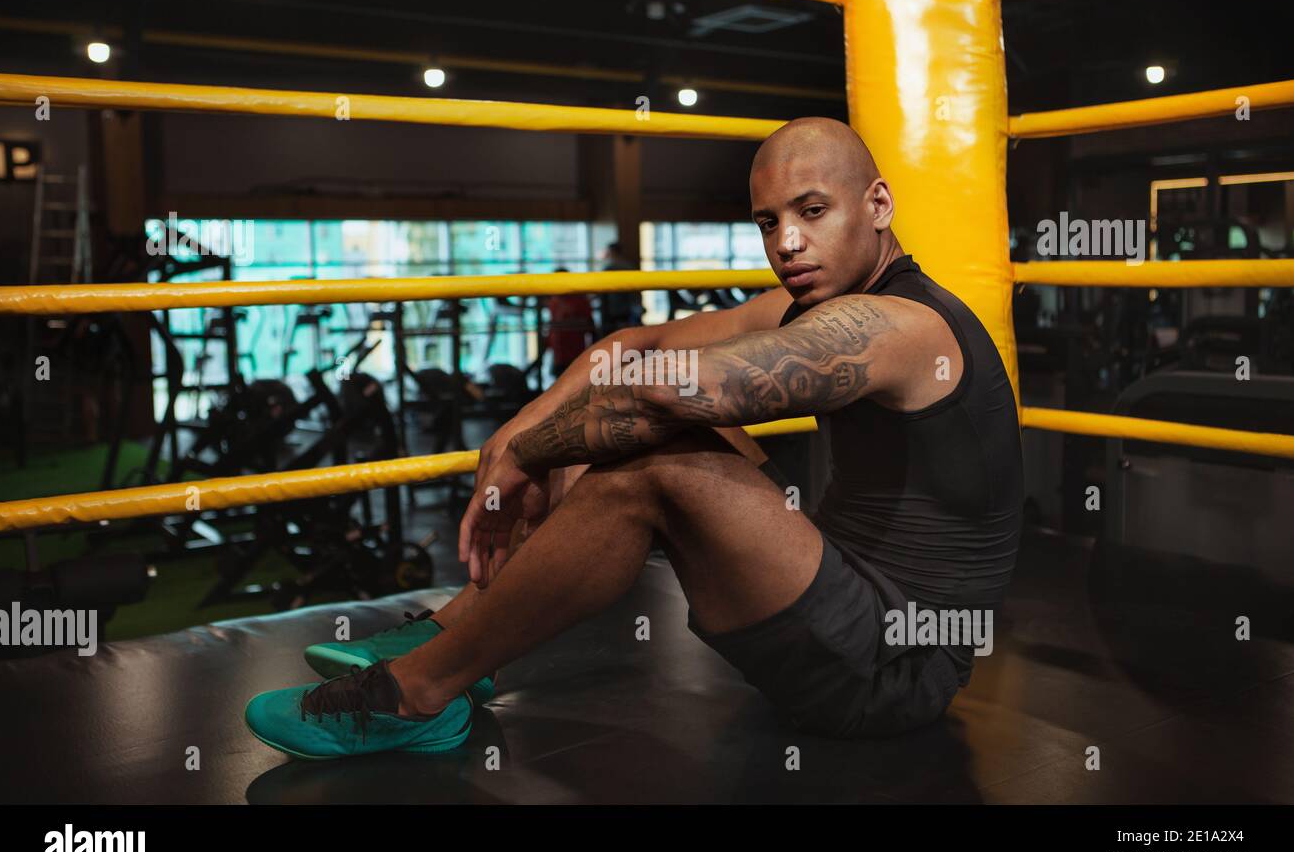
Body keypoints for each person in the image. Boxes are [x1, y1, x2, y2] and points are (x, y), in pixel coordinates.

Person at [245, 117, 1024, 758]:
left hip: (893, 667)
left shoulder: (901, 325)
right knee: (598, 427)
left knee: (653, 458)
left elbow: (687, 387)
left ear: (878, 204)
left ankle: (417, 696)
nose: (786, 243)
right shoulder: (814, 303)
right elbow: (637, 343)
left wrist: (524, 453)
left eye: (811, 211)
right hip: (839, 600)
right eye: (768, 223)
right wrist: (521, 427)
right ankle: (456, 638)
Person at [544, 268, 595, 377]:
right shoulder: (554, 301)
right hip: (559, 354)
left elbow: (590, 325)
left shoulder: (579, 300)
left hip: (575, 354)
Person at [596, 241, 644, 335]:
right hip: (627, 309)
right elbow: (636, 291)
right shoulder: (629, 267)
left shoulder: (609, 269)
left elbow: (602, 294)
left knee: (615, 337)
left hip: (614, 310)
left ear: (612, 252)